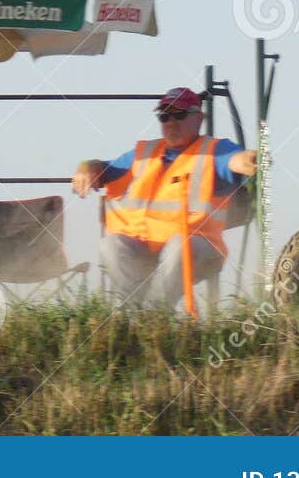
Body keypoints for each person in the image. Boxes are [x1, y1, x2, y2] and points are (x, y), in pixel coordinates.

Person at [71, 87, 256, 312]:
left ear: (199, 118)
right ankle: (132, 316)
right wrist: (85, 167)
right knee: (110, 244)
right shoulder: (144, 152)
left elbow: (237, 161)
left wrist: (250, 159)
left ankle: (154, 316)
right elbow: (101, 167)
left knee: (180, 245)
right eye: (164, 116)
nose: (171, 122)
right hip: (144, 248)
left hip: (201, 248)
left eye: (179, 115)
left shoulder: (215, 150)